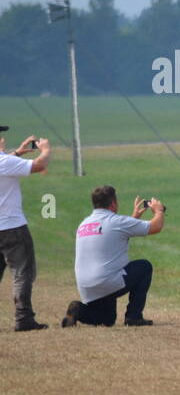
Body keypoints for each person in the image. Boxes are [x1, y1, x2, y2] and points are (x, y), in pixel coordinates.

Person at [66, 185, 164, 327]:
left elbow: (113, 236)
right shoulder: (117, 221)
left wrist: (134, 219)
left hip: (86, 288)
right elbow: (156, 227)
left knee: (107, 320)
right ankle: (134, 317)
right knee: (144, 266)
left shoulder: (84, 224)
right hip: (107, 282)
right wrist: (159, 210)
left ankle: (78, 309)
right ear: (113, 203)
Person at [0, 128, 52, 331]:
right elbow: (40, 165)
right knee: (22, 273)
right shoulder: (4, 162)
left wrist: (18, 153)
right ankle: (23, 318)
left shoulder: (6, 161)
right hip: (12, 227)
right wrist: (45, 150)